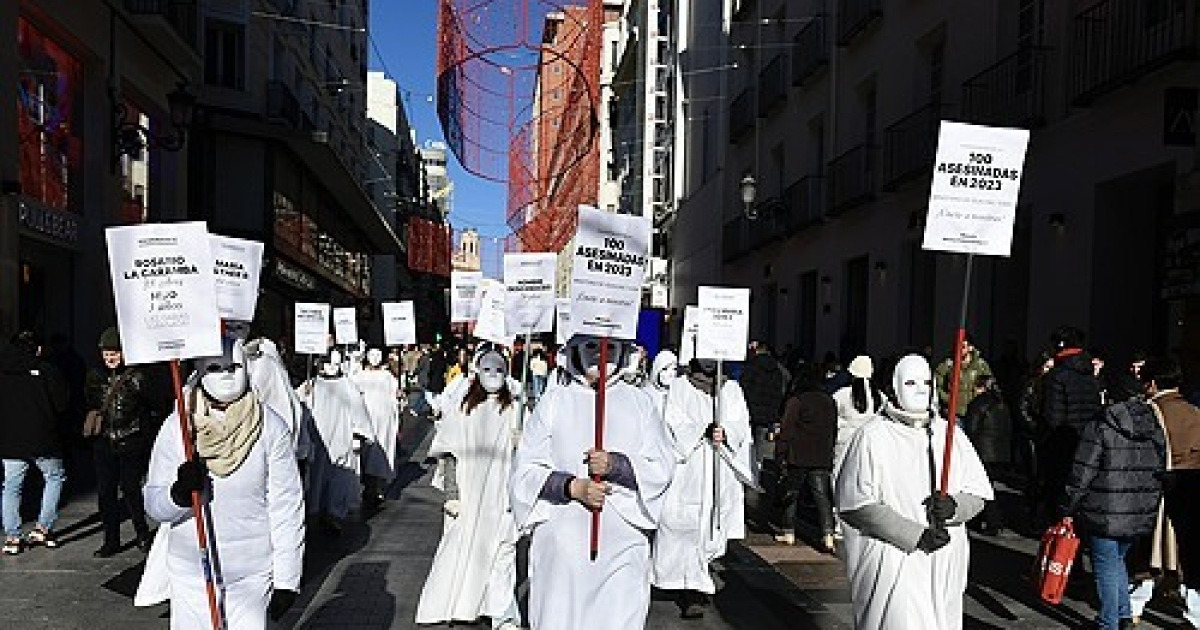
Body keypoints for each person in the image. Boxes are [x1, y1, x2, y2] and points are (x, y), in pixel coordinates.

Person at [509, 335, 675, 630]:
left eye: (610, 347)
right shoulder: (554, 402)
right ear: (574, 351)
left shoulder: (641, 404)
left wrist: (616, 466)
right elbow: (525, 472)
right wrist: (573, 487)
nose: (601, 354)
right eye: (591, 346)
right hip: (563, 548)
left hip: (622, 544)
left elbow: (661, 468)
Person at [140, 337, 305, 628]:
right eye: (215, 367)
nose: (226, 374)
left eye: (234, 366)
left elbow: (286, 507)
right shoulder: (178, 427)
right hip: (192, 573)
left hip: (251, 574)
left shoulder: (269, 426)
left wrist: (287, 579)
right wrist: (178, 494)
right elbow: (153, 503)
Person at [835, 354, 992, 629]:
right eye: (910, 382)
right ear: (895, 387)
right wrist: (914, 535)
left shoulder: (949, 434)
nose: (920, 389)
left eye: (927, 382)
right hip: (894, 561)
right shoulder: (873, 436)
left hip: (943, 562)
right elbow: (856, 504)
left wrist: (955, 507)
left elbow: (978, 492)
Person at [417, 349, 522, 629]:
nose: (493, 375)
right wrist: (452, 494)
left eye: (499, 370)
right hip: (469, 496)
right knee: (461, 552)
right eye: (487, 369)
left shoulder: (516, 410)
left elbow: (530, 456)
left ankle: (502, 614)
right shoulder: (463, 408)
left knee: (502, 553)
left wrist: (522, 442)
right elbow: (449, 452)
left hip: (501, 497)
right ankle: (457, 605)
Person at [1059, 371, 1165, 630]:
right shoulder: (1153, 423)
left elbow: (1083, 470)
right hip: (1139, 509)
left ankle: (1109, 622)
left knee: (1106, 566)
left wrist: (1068, 505)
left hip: (1104, 508)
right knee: (1117, 561)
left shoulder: (1101, 424)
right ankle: (1124, 614)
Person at [651, 357, 755, 619]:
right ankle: (691, 589)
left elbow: (741, 424)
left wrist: (726, 433)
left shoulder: (731, 389)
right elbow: (671, 421)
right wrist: (700, 430)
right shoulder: (680, 386)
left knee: (711, 529)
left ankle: (699, 577)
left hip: (720, 469)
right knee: (683, 527)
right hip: (690, 469)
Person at [84, 327, 161, 557]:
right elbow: (89, 401)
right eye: (106, 353)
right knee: (106, 493)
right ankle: (111, 539)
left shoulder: (137, 377)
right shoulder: (95, 375)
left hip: (131, 439)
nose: (110, 358)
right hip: (104, 441)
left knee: (131, 489)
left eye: (114, 353)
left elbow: (152, 404)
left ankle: (141, 533)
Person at [1143, 358, 1200, 628]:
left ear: (1152, 384)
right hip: (1192, 489)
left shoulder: (1148, 412)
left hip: (1154, 489)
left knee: (1146, 554)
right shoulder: (1194, 412)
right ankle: (1195, 614)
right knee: (1190, 553)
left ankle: (1133, 606)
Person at [1, 331, 69, 555]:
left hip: (10, 440)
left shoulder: (4, 371)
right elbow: (61, 403)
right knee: (54, 477)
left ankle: (12, 537)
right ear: (38, 349)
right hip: (43, 438)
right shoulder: (47, 370)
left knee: (12, 486)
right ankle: (43, 528)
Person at [298, 349, 375, 531]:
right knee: (316, 478)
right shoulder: (312, 385)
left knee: (339, 478)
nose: (332, 367)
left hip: (341, 439)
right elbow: (297, 405)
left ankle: (335, 513)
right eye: (328, 363)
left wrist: (358, 434)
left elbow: (358, 410)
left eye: (336, 364)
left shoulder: (347, 386)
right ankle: (314, 511)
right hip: (318, 441)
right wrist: (303, 394)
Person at [1040, 326, 1102, 526]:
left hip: (1062, 443)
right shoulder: (1090, 376)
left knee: (1058, 493)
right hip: (1088, 440)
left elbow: (1053, 417)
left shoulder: (1057, 376)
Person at [775, 363, 838, 552]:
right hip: (822, 455)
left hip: (798, 454)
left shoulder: (797, 401)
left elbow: (787, 430)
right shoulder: (829, 401)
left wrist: (781, 453)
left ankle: (788, 531)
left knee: (792, 493)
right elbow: (833, 429)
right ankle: (828, 535)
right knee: (822, 496)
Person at [961, 375, 1012, 536]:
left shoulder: (978, 403)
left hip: (982, 452)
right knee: (991, 487)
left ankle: (990, 521)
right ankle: (990, 521)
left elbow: (971, 428)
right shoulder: (1001, 404)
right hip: (1000, 452)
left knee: (981, 488)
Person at [352, 348, 402, 506]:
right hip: (366, 420)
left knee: (381, 455)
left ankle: (378, 486)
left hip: (384, 422)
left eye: (377, 355)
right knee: (366, 454)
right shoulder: (359, 376)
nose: (374, 358)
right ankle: (368, 486)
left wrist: (399, 395)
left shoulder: (388, 376)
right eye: (371, 355)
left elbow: (395, 396)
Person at [831, 355, 882, 475]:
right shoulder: (879, 396)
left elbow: (830, 416)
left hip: (844, 443)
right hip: (871, 444)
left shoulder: (842, 394)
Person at [934, 336, 993, 425]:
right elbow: (936, 384)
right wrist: (947, 398)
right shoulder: (948, 365)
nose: (959, 350)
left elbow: (990, 384)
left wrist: (981, 396)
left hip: (975, 412)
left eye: (963, 347)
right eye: (957, 347)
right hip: (955, 413)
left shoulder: (980, 365)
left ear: (970, 348)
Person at [739, 341, 786, 448]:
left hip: (752, 411)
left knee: (750, 446)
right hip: (771, 413)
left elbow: (743, 387)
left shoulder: (751, 366)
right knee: (765, 447)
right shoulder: (777, 369)